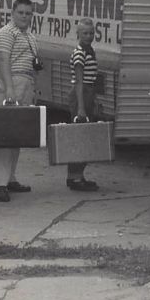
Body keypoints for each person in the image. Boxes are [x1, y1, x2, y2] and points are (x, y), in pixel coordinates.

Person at [0, 0, 37, 202]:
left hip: (23, 84)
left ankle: (10, 178)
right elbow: (3, 61)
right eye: (20, 12)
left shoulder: (29, 36)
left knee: (16, 136)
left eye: (28, 13)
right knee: (2, 136)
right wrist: (9, 89)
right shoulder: (6, 33)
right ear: (12, 13)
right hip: (6, 84)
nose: (24, 16)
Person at [66, 18, 100, 191]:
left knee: (84, 137)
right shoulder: (80, 53)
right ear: (77, 34)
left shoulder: (89, 51)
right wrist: (81, 107)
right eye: (85, 33)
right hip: (81, 94)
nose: (89, 36)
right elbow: (79, 82)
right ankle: (75, 177)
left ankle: (78, 175)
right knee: (80, 137)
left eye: (91, 33)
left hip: (88, 93)